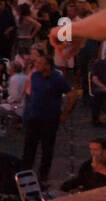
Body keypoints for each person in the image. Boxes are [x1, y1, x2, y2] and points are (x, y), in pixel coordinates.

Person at [21, 48, 73, 186]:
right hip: (34, 116)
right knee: (29, 146)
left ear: (47, 65)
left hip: (50, 118)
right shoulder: (35, 76)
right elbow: (32, 93)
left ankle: (43, 175)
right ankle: (25, 172)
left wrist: (65, 113)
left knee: (47, 147)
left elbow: (71, 95)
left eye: (39, 63)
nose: (36, 65)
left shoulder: (58, 78)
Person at [89, 44, 106, 126]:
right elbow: (94, 78)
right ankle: (95, 118)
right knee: (97, 95)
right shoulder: (98, 64)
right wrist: (104, 87)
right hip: (100, 86)